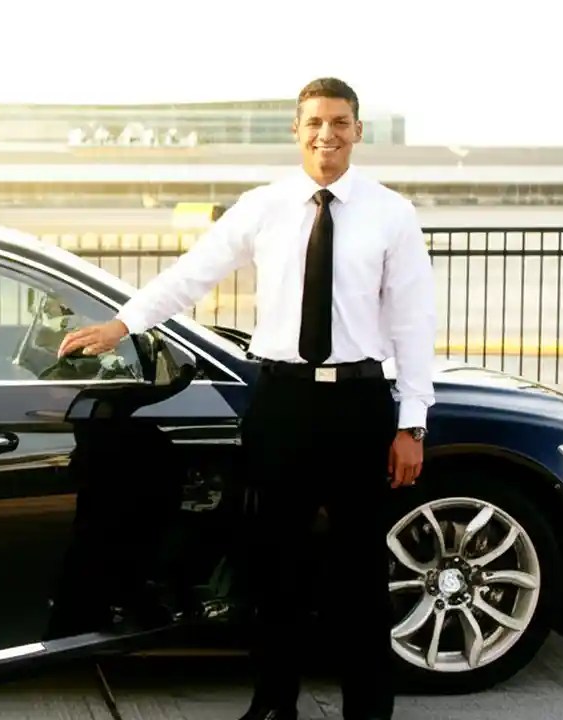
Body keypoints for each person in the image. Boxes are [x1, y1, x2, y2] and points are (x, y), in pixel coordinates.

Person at [56, 77, 437, 720]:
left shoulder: (390, 213)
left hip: (359, 405)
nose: (327, 134)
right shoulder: (265, 206)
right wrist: (125, 323)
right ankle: (273, 703)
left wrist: (413, 424)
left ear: (358, 131)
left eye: (340, 122)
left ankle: (368, 709)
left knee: (359, 575)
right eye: (315, 121)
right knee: (274, 566)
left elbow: (413, 322)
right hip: (281, 404)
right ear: (296, 129)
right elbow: (193, 273)